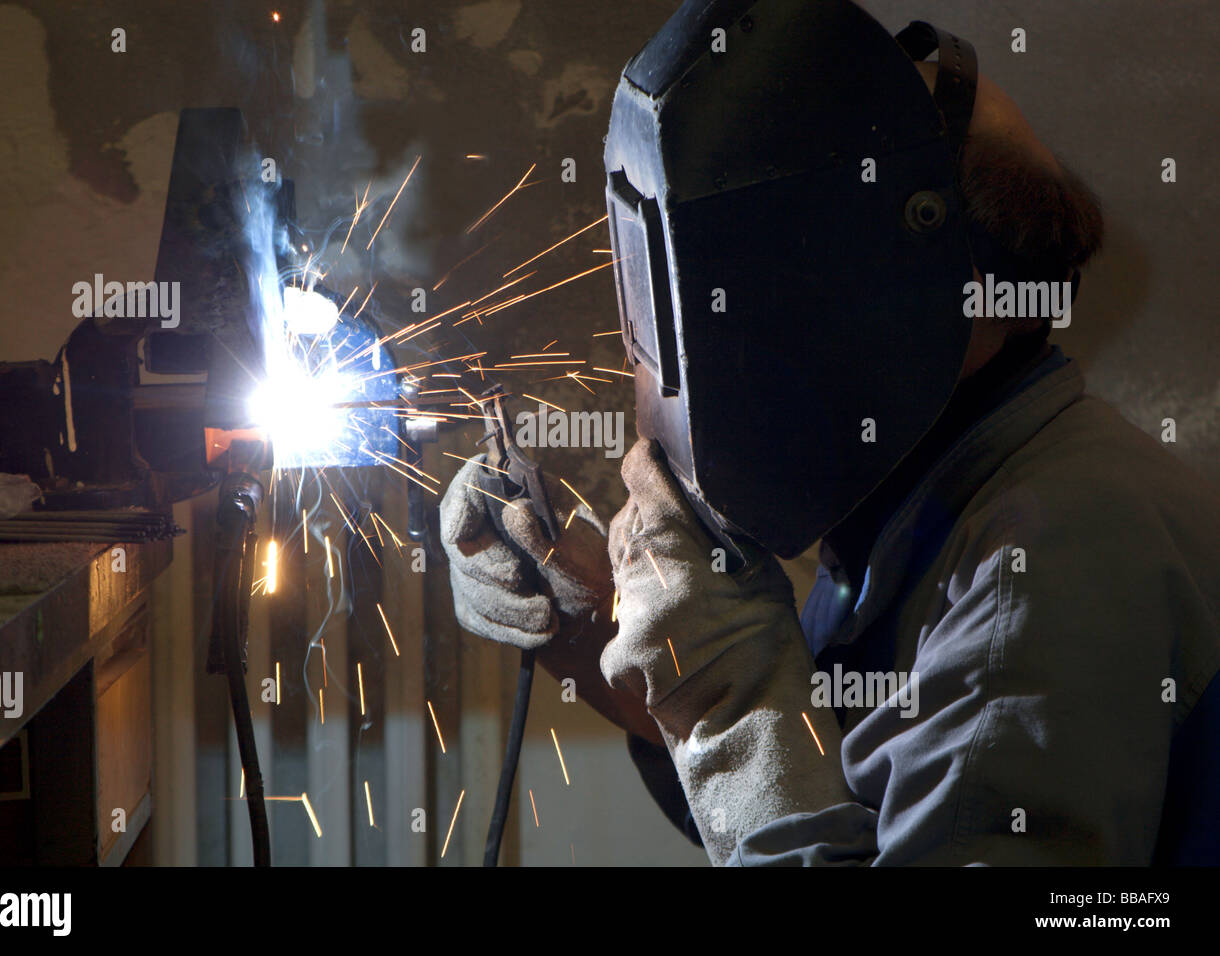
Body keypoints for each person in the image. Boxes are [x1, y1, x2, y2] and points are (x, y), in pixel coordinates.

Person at [441, 2, 1220, 865]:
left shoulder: (1042, 568)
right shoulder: (920, 511)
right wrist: (593, 638)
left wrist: (728, 682)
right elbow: (822, 812)